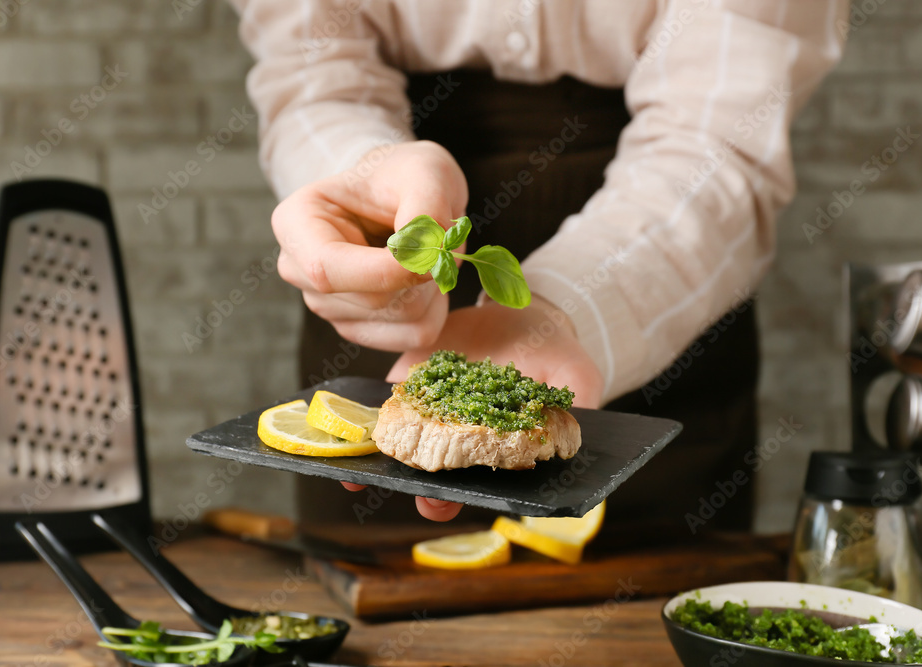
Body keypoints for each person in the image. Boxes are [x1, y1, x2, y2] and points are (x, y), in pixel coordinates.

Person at [229, 0, 848, 527]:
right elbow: (311, 74)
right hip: (386, 339)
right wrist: (359, 187)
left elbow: (721, 134)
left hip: (660, 290)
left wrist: (570, 307)